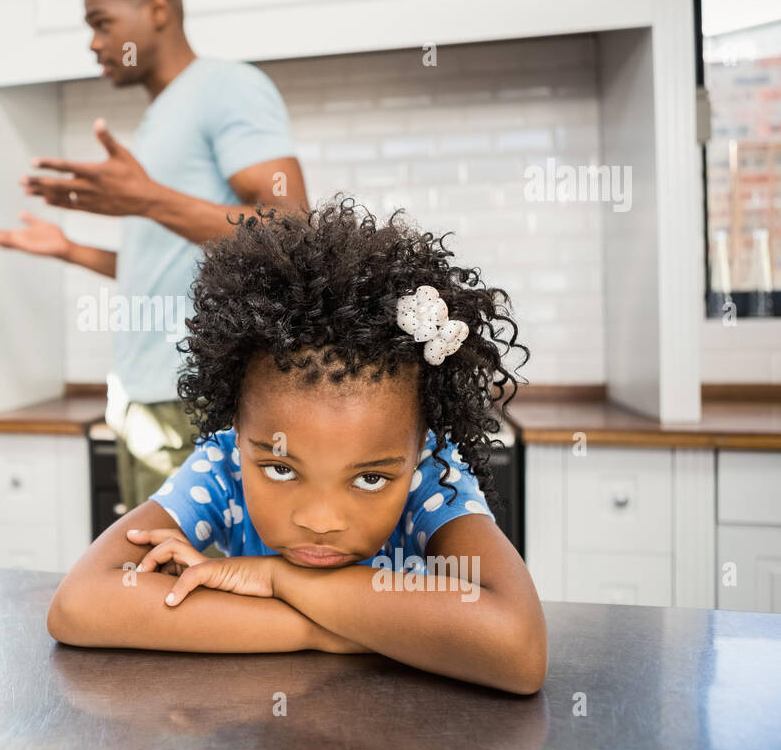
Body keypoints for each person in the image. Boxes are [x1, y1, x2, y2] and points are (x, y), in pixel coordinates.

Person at [47, 197, 547, 695]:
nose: (321, 519)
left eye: (370, 478)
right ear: (236, 431)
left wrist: (280, 581)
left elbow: (519, 649)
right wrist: (329, 630)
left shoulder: (431, 476)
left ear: (420, 447)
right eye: (281, 469)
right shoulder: (224, 466)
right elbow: (80, 604)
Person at [0, 0, 309, 511]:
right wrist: (68, 249)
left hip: (193, 396)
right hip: (141, 399)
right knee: (151, 584)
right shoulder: (159, 118)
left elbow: (293, 230)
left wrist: (146, 198)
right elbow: (167, 264)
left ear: (158, 10)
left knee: (193, 584)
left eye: (101, 23)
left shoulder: (227, 86)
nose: (92, 43)